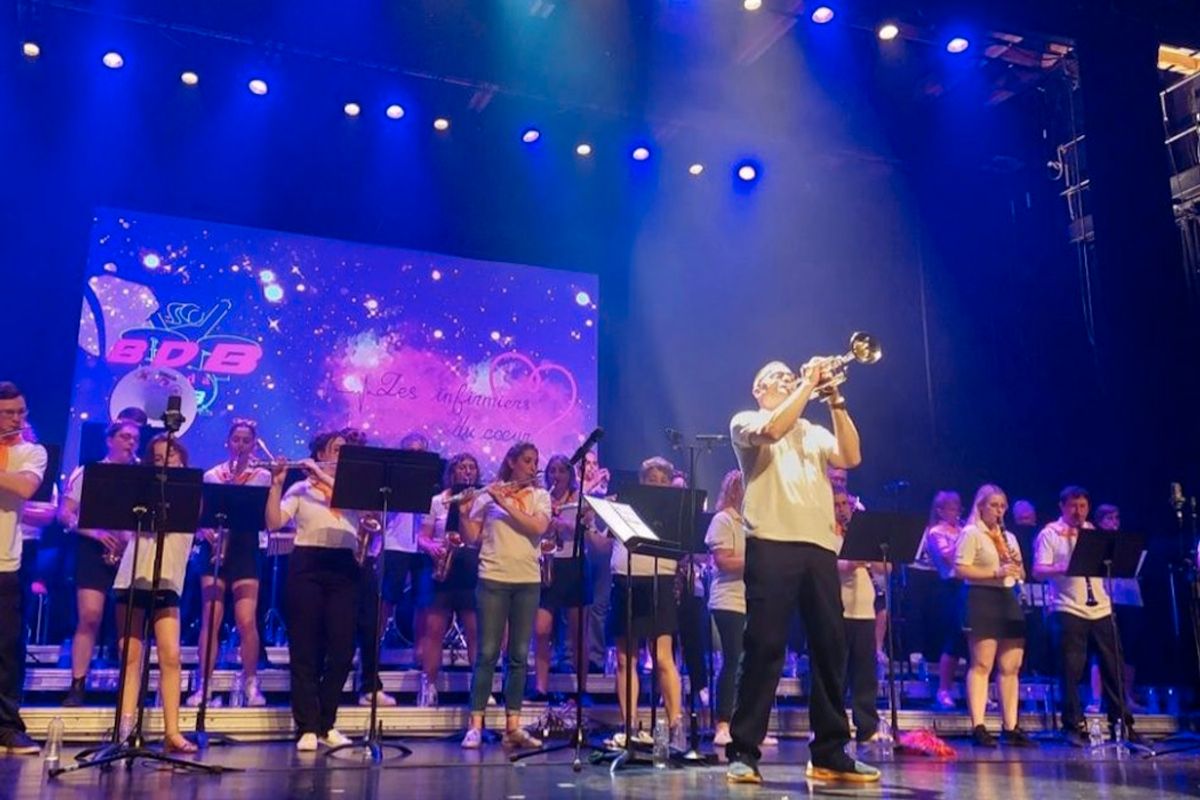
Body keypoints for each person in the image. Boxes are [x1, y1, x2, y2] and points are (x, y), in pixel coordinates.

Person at [725, 359, 878, 784]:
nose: (789, 380)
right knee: (764, 647)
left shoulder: (813, 432)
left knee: (831, 648)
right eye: (778, 378)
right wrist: (808, 382)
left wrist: (835, 398)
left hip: (819, 547)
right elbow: (773, 430)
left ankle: (830, 751)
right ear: (759, 388)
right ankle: (743, 751)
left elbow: (851, 455)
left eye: (791, 377)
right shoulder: (747, 420)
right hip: (771, 542)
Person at [265, 431, 358, 751]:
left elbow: (354, 501)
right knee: (305, 648)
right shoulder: (301, 489)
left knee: (343, 649)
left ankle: (326, 722)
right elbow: (274, 522)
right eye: (336, 449)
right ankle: (308, 725)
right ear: (321, 452)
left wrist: (320, 473)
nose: (343, 455)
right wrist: (277, 484)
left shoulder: (353, 488)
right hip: (307, 563)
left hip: (344, 566)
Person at [1033, 486, 1144, 746]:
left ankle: (1122, 724)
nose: (1078, 511)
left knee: (1112, 665)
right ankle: (1073, 725)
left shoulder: (1093, 532)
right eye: (1073, 506)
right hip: (1069, 607)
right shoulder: (1050, 533)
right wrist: (1063, 566)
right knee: (1071, 669)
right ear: (1062, 506)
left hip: (1101, 607)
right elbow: (1038, 570)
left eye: (1082, 506)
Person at [460, 442, 550, 750]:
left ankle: (513, 726)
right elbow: (472, 537)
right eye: (527, 460)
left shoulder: (541, 496)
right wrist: (464, 513)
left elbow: (536, 527)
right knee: (487, 653)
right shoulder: (488, 494)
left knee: (519, 656)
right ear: (511, 462)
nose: (532, 466)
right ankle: (475, 724)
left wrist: (505, 503)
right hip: (493, 578)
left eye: (535, 461)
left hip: (527, 580)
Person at [112, 435, 197, 752]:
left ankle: (172, 732)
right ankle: (124, 729)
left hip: (167, 581)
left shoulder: (190, 493)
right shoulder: (142, 493)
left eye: (172, 455)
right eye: (159, 457)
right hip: (134, 577)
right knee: (131, 658)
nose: (166, 460)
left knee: (170, 656)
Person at [188, 419, 272, 709]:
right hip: (214, 549)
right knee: (211, 616)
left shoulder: (261, 476)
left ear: (253, 444)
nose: (240, 445)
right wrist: (204, 530)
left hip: (245, 549)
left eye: (246, 440)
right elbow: (199, 515)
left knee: (246, 619)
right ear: (228, 442)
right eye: (235, 439)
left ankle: (250, 681)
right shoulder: (213, 475)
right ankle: (204, 684)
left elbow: (263, 514)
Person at [58, 420, 141, 706]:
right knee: (90, 616)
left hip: (129, 552)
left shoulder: (139, 476)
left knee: (127, 624)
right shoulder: (88, 473)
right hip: (94, 550)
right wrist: (96, 533)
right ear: (110, 440)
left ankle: (127, 687)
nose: (131, 443)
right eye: (125, 437)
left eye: (135, 438)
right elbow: (65, 514)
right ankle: (78, 683)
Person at [607, 457, 685, 750]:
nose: (656, 484)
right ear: (642, 481)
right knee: (626, 659)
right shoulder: (624, 507)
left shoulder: (673, 511)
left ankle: (675, 725)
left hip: (658, 581)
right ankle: (629, 727)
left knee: (663, 656)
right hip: (625, 580)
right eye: (651, 479)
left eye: (662, 480)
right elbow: (603, 544)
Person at [954, 484, 1033, 747]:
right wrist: (994, 574)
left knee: (1011, 665)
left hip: (1008, 598)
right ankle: (979, 725)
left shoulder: (1009, 537)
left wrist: (1016, 571)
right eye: (993, 505)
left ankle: (1010, 726)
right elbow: (960, 569)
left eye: (1002, 506)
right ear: (981, 507)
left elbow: (1021, 571)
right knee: (982, 664)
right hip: (981, 597)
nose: (999, 511)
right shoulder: (971, 533)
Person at [0, 382, 48, 754]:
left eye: (21, 412)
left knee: (6, 650)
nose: (17, 419)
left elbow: (24, 488)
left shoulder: (32, 451)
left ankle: (6, 727)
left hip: (5, 563)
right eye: (8, 413)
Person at [415, 453, 482, 707]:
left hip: (470, 567)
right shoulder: (437, 501)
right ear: (452, 472)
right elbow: (423, 536)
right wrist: (432, 547)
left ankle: (480, 690)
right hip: (442, 568)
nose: (467, 472)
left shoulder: (482, 499)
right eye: (462, 467)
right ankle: (429, 687)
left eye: (471, 467)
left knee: (476, 630)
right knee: (433, 629)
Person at [533, 454, 600, 700]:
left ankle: (582, 689)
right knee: (541, 630)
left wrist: (567, 525)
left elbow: (589, 534)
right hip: (548, 564)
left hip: (574, 565)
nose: (556, 476)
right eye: (552, 471)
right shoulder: (540, 499)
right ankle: (540, 686)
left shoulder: (581, 500)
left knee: (577, 633)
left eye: (561, 471)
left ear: (570, 475)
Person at [834, 489, 883, 746]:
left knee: (865, 674)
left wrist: (874, 557)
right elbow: (832, 565)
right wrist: (854, 562)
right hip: (839, 609)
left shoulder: (860, 534)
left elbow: (885, 567)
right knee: (837, 673)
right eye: (837, 504)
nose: (842, 509)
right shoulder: (827, 534)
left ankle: (867, 726)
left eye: (845, 504)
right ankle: (834, 727)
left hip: (864, 609)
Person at [910, 490, 966, 709]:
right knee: (953, 634)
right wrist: (966, 538)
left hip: (970, 584)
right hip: (950, 585)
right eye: (951, 508)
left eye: (958, 508)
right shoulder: (936, 532)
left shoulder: (963, 530)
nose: (956, 513)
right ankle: (944, 689)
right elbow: (948, 557)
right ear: (940, 511)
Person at [1089, 504, 1143, 713]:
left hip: (1128, 597)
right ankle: (1096, 697)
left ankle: (1126, 696)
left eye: (1116, 518)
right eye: (1109, 518)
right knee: (1101, 649)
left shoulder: (1126, 543)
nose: (1114, 522)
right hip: (1104, 598)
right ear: (1099, 521)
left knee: (1129, 649)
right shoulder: (1094, 542)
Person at [707, 469, 746, 748]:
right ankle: (723, 722)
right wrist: (759, 558)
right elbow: (723, 561)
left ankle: (746, 724)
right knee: (733, 660)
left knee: (750, 664)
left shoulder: (752, 522)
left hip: (751, 600)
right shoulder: (723, 520)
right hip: (728, 601)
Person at [580, 450, 613, 673]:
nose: (592, 468)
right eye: (586, 464)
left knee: (599, 608)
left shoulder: (603, 493)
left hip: (601, 557)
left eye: (594, 463)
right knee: (576, 611)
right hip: (578, 556)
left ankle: (596, 658)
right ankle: (571, 657)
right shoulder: (577, 491)